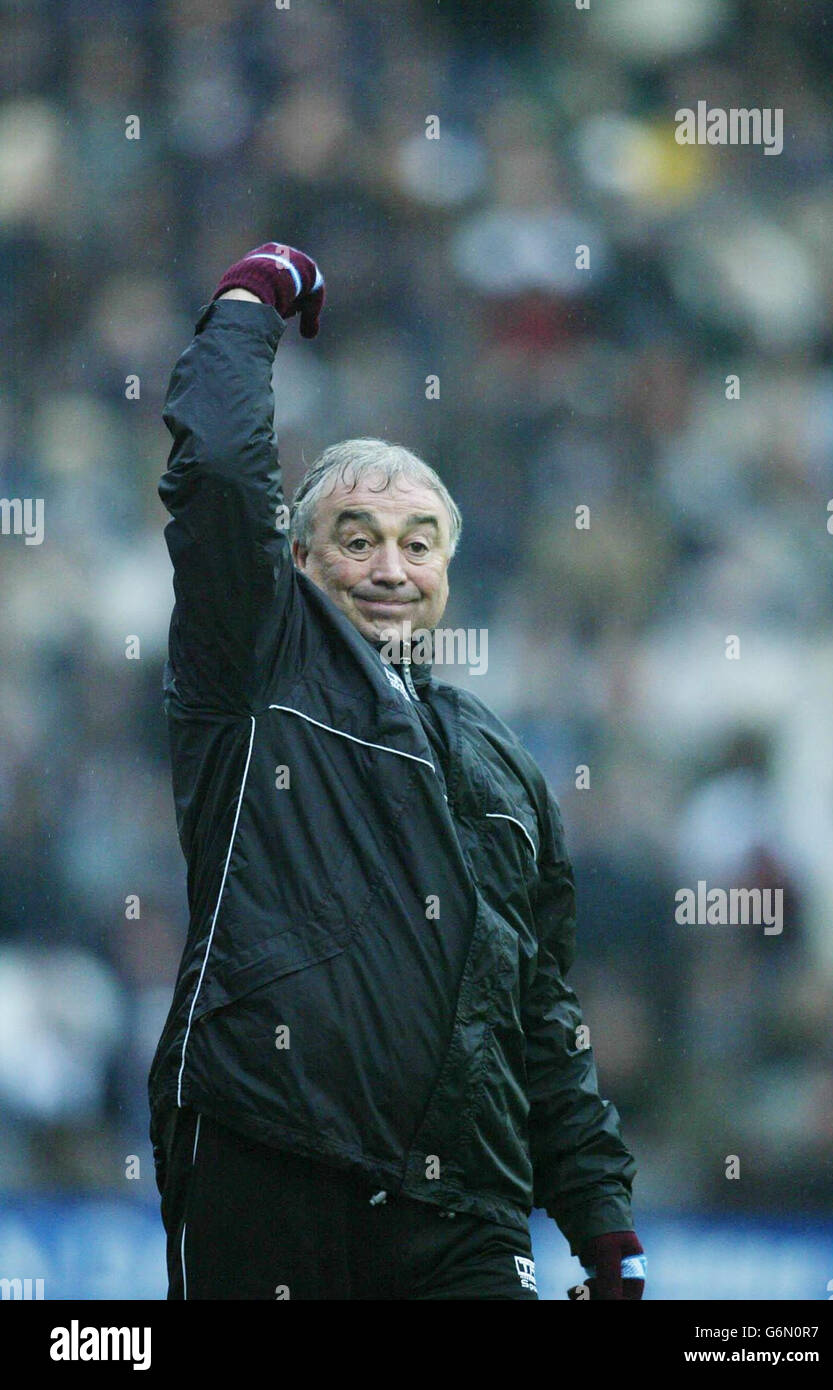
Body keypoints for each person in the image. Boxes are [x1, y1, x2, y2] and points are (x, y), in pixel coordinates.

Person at [148, 241, 644, 1301]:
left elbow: (538, 1010)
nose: (389, 567)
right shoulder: (253, 663)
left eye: (420, 544)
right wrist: (251, 295)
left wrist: (601, 1224)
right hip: (267, 1149)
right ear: (295, 559)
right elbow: (225, 474)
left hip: (462, 1201)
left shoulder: (504, 762)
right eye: (356, 537)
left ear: (449, 575)